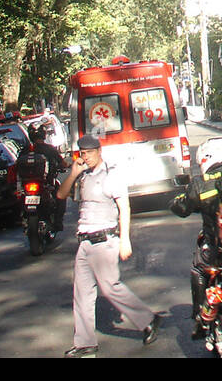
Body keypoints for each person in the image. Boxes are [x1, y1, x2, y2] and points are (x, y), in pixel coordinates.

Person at [56, 135, 160, 357]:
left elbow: (125, 208)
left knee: (111, 286)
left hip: (104, 240)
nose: (86, 157)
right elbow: (60, 194)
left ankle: (148, 319)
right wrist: (73, 172)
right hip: (84, 242)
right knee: (82, 294)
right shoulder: (82, 176)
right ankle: (85, 343)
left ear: (99, 152)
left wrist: (125, 239)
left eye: (90, 153)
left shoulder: (111, 176)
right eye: (83, 153)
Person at [171, 138, 222, 340]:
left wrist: (176, 200)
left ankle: (201, 317)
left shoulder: (201, 183)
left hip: (218, 246)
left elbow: (182, 208)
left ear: (204, 159)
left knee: (199, 269)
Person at [27, 122, 67, 232]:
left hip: (30, 187)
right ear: (43, 135)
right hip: (47, 183)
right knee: (61, 195)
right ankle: (58, 222)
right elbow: (62, 163)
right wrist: (66, 165)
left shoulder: (25, 151)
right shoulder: (50, 149)